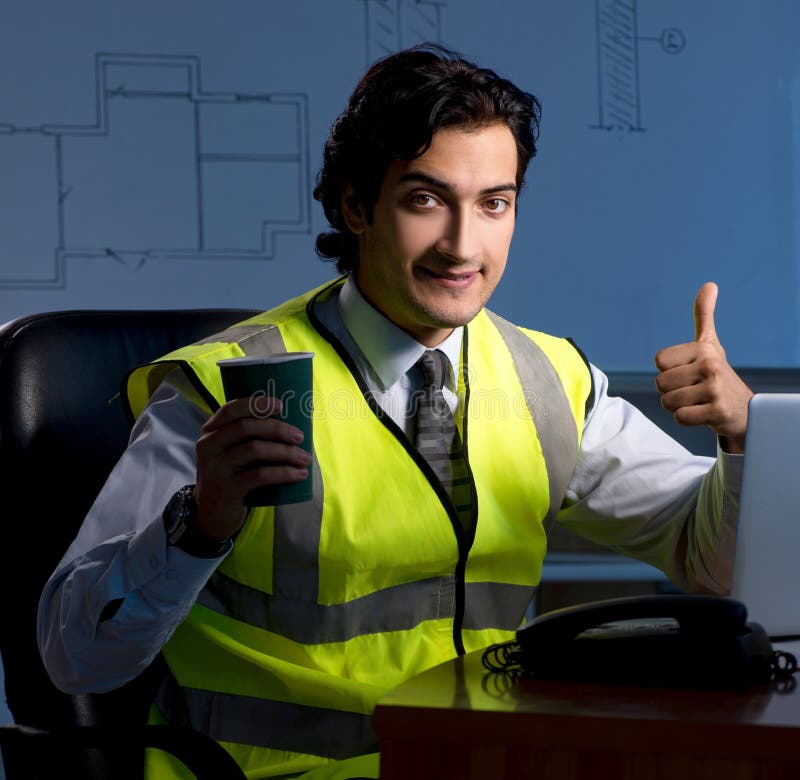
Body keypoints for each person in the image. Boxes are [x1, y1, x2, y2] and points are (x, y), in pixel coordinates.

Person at [37, 44, 753, 779]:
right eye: (425, 199)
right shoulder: (227, 389)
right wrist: (200, 520)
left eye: (493, 204)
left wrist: (742, 442)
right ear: (355, 205)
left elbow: (715, 567)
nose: (461, 245)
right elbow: (76, 660)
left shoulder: (550, 380)